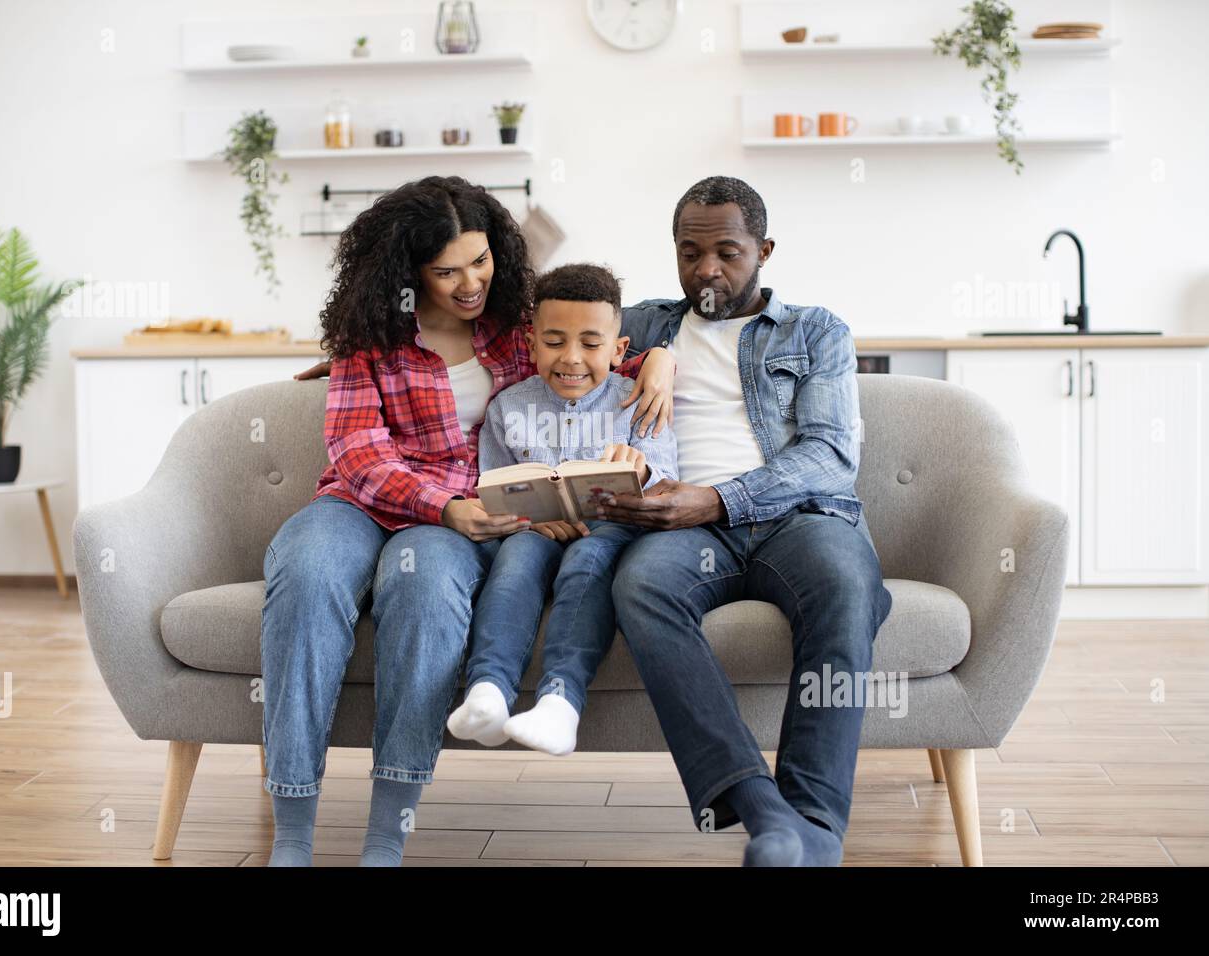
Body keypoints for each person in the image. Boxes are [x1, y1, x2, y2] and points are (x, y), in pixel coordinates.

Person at [268, 176, 673, 866]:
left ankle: (385, 838)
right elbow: (359, 453)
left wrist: (660, 360)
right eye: (446, 270)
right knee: (306, 579)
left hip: (463, 520)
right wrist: (443, 505)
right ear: (406, 272)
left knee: (425, 593)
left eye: (480, 261)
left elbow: (597, 350)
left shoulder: (517, 331)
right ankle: (292, 834)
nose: (469, 284)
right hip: (364, 502)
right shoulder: (370, 337)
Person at [597, 176, 894, 867]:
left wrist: (718, 498)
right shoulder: (640, 327)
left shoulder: (814, 329)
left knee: (846, 586)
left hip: (799, 518)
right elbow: (521, 339)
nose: (707, 270)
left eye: (727, 252)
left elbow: (828, 456)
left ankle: (815, 826)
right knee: (639, 587)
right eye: (689, 252)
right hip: (687, 533)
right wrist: (365, 355)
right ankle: (763, 811)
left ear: (763, 249)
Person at [446, 263, 677, 757]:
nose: (571, 359)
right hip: (534, 529)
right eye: (554, 342)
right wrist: (525, 518)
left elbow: (663, 477)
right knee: (513, 565)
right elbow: (494, 483)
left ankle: (560, 701)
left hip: (611, 530)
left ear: (619, 351)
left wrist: (639, 469)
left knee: (586, 564)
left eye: (591, 345)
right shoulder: (508, 406)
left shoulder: (637, 401)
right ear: (530, 344)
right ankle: (487, 692)